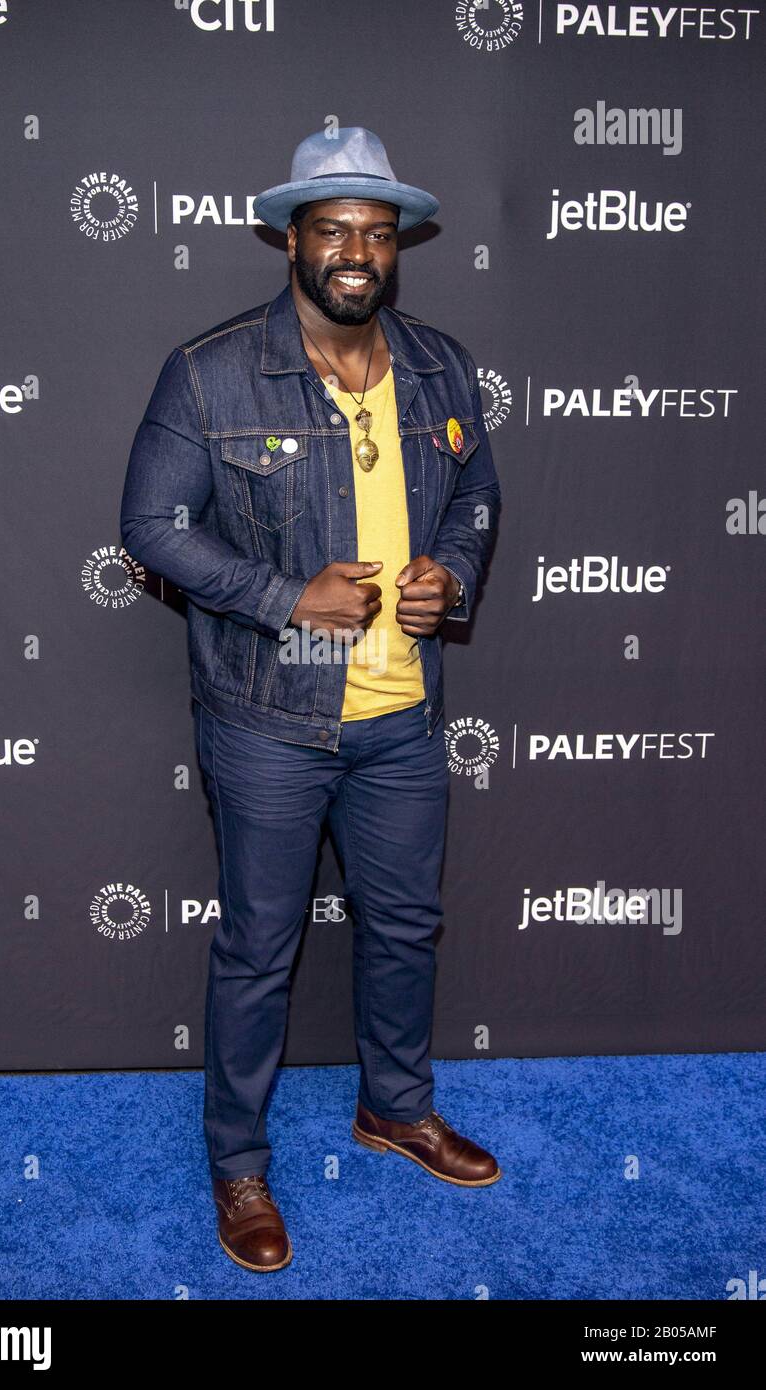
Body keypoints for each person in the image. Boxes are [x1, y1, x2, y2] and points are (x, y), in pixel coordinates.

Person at [120, 126, 503, 1274]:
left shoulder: (438, 365)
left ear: (397, 249)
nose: (355, 253)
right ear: (289, 238)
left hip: (400, 720)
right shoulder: (208, 370)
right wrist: (288, 597)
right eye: (332, 230)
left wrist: (454, 571)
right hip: (268, 723)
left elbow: (475, 487)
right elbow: (148, 529)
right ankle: (236, 1162)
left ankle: (394, 1106)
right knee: (256, 948)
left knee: (403, 927)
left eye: (376, 235)